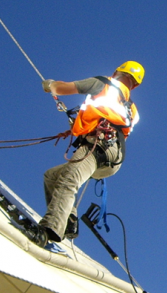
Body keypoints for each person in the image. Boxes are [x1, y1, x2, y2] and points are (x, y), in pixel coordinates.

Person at [32, 61, 143, 246]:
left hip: (97, 145)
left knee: (68, 180)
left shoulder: (104, 84)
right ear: (135, 84)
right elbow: (113, 124)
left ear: (117, 72)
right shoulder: (132, 109)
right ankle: (69, 219)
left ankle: (49, 229)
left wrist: (50, 85)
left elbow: (63, 88)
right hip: (113, 157)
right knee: (52, 176)